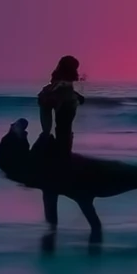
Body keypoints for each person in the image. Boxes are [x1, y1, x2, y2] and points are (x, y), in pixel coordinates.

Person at [34, 55, 100, 241]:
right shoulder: (61, 89)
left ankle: (51, 231)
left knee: (51, 190)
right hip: (63, 138)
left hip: (62, 138)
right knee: (55, 188)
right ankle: (55, 230)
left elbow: (51, 100)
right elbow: (52, 100)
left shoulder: (62, 89)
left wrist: (74, 96)